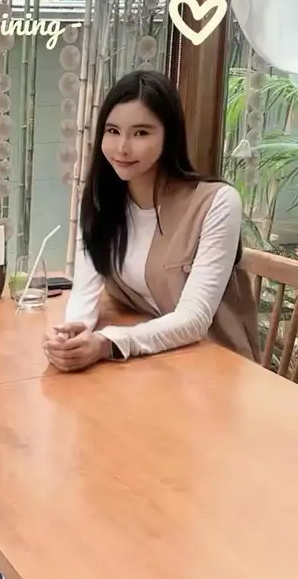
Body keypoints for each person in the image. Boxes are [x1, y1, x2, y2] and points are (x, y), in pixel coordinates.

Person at [44, 70, 261, 373]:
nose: (122, 147)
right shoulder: (102, 200)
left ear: (169, 136)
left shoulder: (216, 203)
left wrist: (107, 342)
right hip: (154, 361)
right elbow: (85, 290)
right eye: (113, 130)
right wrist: (72, 334)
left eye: (141, 133)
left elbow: (195, 319)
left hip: (216, 366)